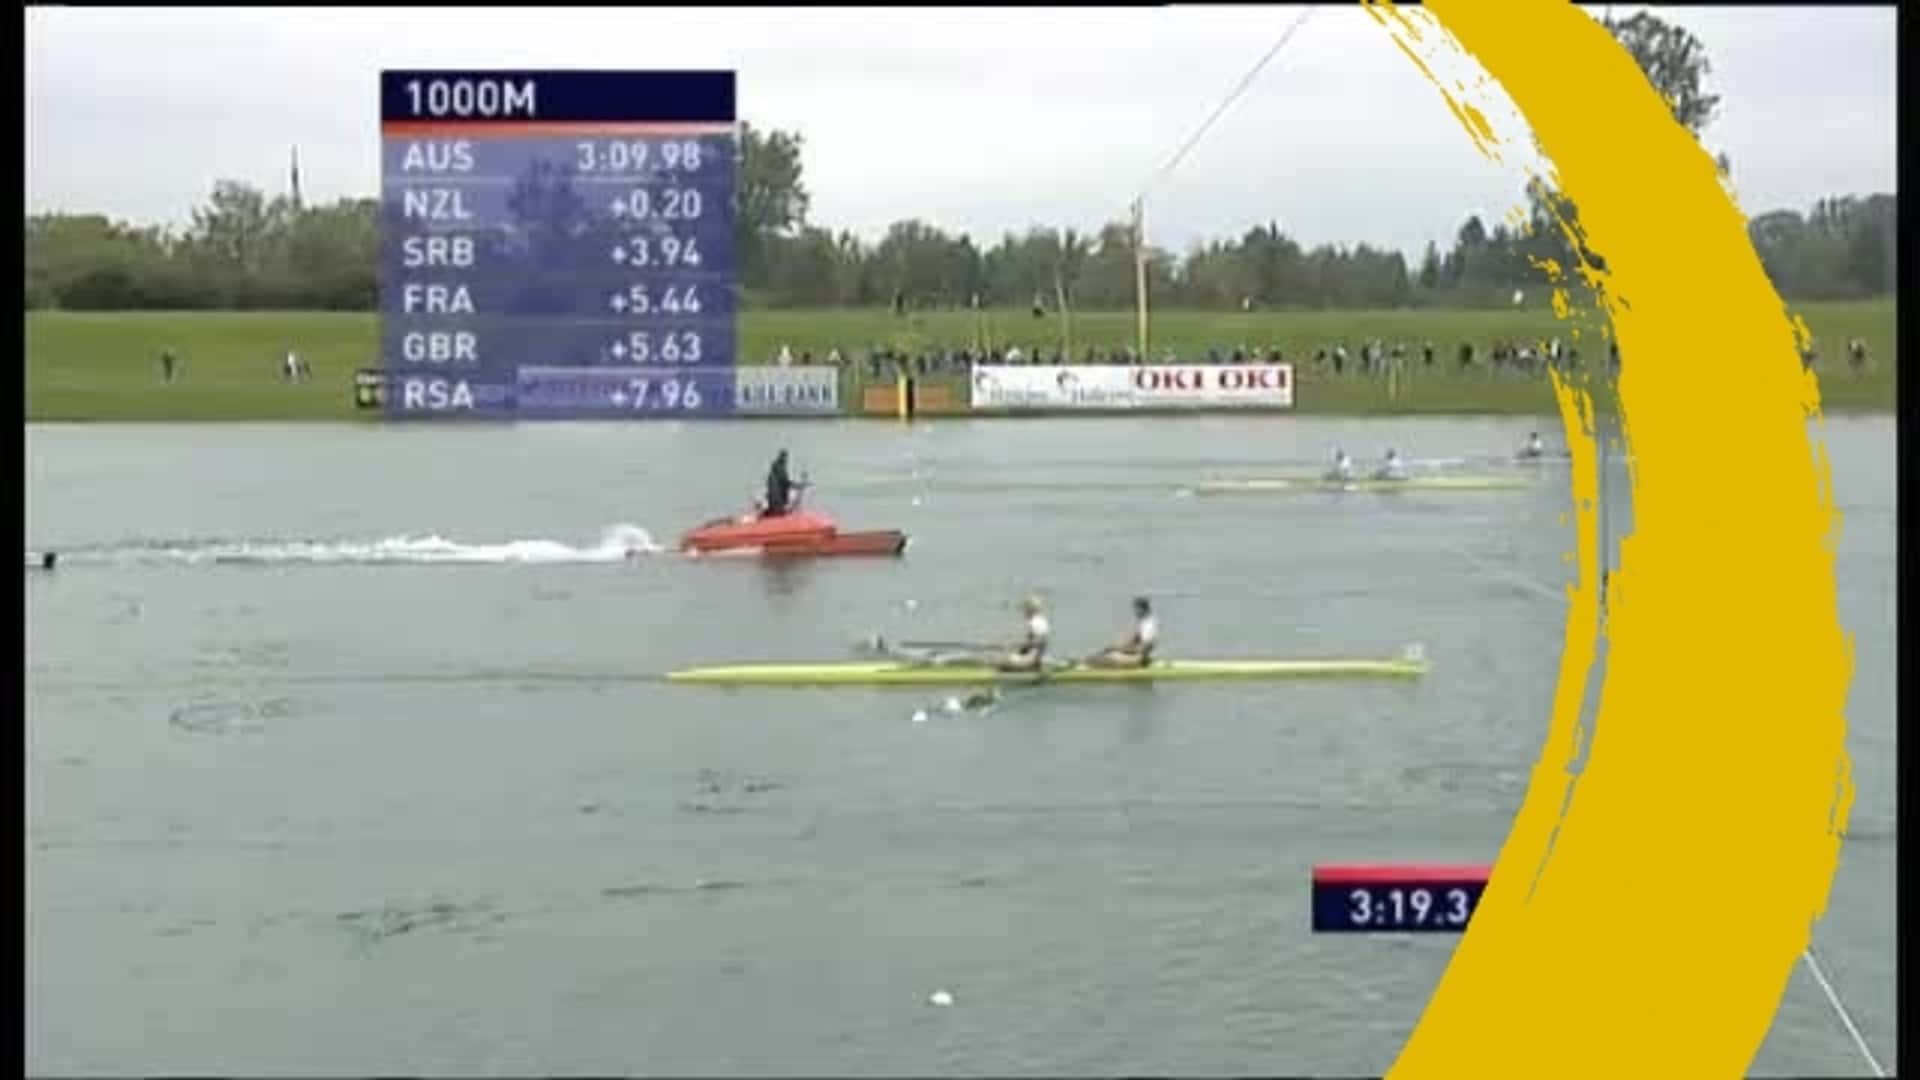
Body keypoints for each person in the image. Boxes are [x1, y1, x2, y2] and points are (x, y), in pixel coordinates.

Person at [1091, 597, 1157, 668]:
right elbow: (1133, 641)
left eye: (1137, 609)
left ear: (1144, 609)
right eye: (1135, 609)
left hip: (1138, 658)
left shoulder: (1149, 625)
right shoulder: (1143, 622)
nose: (1135, 612)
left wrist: (1118, 649)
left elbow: (1143, 648)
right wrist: (1115, 647)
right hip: (1134, 655)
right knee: (1103, 655)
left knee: (1093, 660)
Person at [1000, 596, 1050, 673]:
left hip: (1031, 660)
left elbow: (1038, 643)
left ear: (1031, 610)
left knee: (1001, 661)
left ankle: (1030, 669)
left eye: (1025, 609)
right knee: (1004, 658)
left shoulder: (1036, 623)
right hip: (1034, 658)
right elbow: (1030, 645)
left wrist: (1014, 645)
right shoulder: (1038, 621)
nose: (1023, 612)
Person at [763, 449, 801, 517]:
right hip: (778, 499)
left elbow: (785, 482)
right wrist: (796, 485)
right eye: (785, 457)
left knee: (790, 498)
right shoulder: (779, 468)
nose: (786, 459)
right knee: (790, 498)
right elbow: (785, 482)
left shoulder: (776, 469)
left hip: (776, 498)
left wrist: (795, 485)